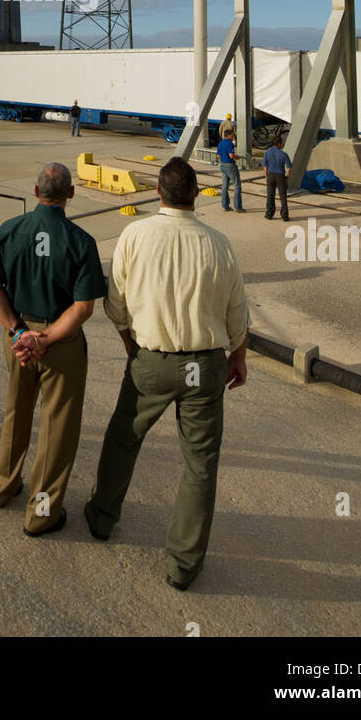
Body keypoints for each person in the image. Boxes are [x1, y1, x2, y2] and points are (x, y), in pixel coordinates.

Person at [84, 157, 249, 590]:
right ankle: (184, 564)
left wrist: (130, 344)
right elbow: (237, 314)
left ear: (158, 192)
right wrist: (238, 357)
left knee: (124, 438)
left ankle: (102, 517)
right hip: (204, 367)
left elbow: (115, 300)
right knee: (199, 465)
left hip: (150, 361)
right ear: (196, 194)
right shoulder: (219, 244)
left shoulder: (134, 234)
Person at [0, 163, 107, 536]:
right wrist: (47, 339)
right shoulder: (82, 242)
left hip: (18, 335)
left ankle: (3, 487)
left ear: (36, 193)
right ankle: (41, 514)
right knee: (57, 428)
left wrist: (18, 331)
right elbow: (83, 307)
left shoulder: (10, 230)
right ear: (70, 195)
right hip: (60, 341)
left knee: (16, 411)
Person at [262, 136, 291, 221]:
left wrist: (266, 175)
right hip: (280, 176)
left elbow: (265, 166)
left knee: (270, 195)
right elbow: (288, 168)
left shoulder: (267, 153)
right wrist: (287, 175)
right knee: (283, 196)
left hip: (270, 175)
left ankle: (269, 214)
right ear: (279, 144)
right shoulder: (284, 154)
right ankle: (284, 215)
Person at [216, 131, 243, 211]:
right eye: (232, 134)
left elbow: (218, 156)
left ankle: (225, 206)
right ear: (229, 135)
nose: (233, 136)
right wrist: (237, 157)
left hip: (223, 165)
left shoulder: (220, 143)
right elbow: (231, 156)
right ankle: (238, 207)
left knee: (224, 186)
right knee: (237, 185)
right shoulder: (230, 143)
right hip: (230, 166)